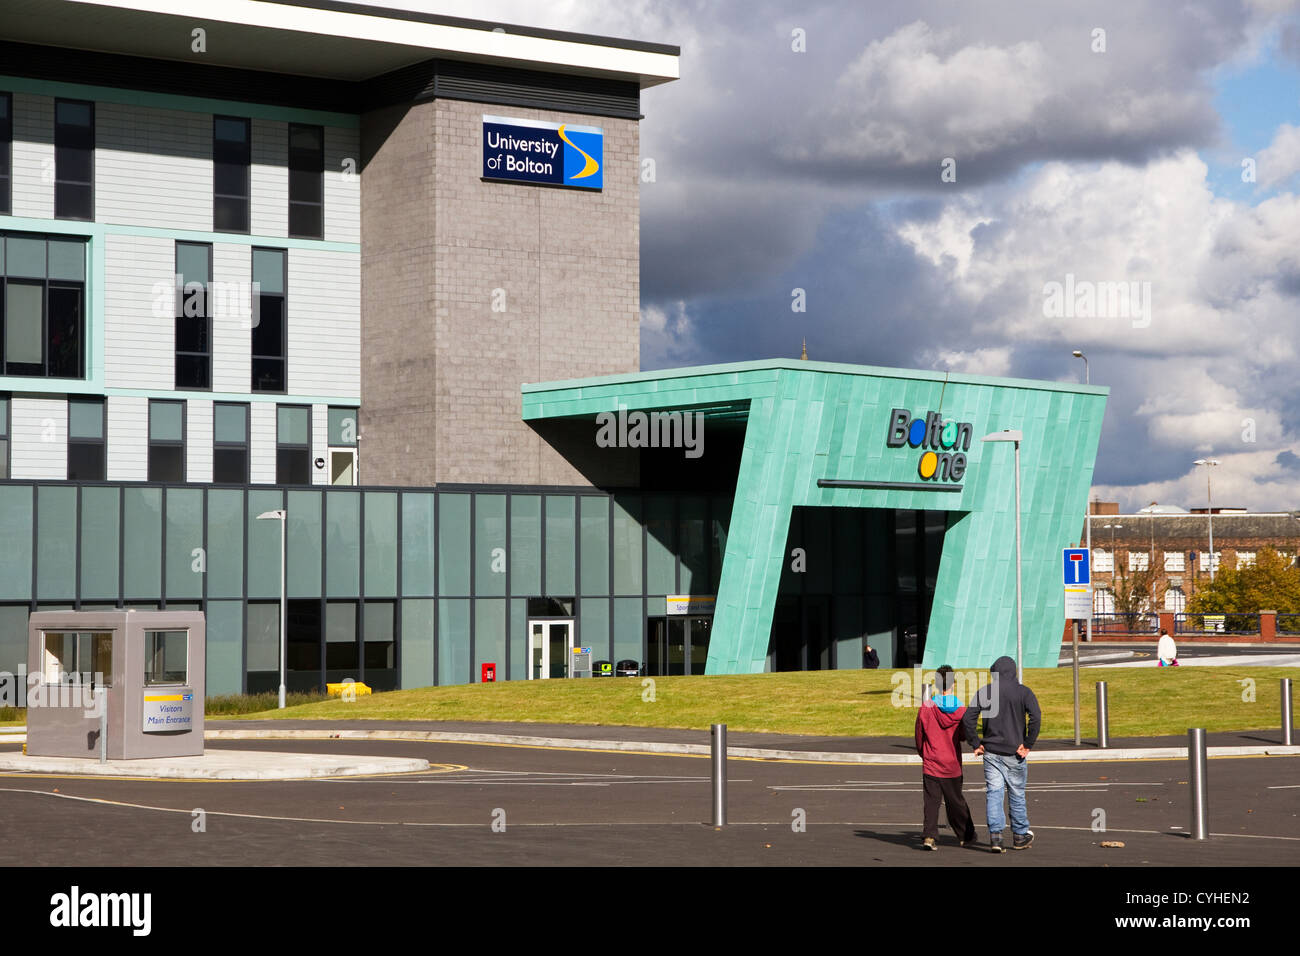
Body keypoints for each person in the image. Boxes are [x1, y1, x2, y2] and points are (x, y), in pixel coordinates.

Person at [961, 656, 1041, 853]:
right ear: (1013, 671)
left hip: (992, 751)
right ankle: (1020, 835)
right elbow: (1036, 717)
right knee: (1017, 793)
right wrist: (1028, 743)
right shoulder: (1023, 692)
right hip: (1015, 751)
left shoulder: (986, 692)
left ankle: (996, 836)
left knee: (994, 793)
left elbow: (968, 718)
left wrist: (976, 743)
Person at [914, 665, 977, 850]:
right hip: (951, 762)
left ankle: (929, 836)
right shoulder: (961, 710)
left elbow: (919, 735)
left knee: (931, 802)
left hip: (932, 761)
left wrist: (923, 753)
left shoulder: (926, 707)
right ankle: (965, 835)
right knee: (956, 801)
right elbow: (964, 735)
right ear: (953, 684)